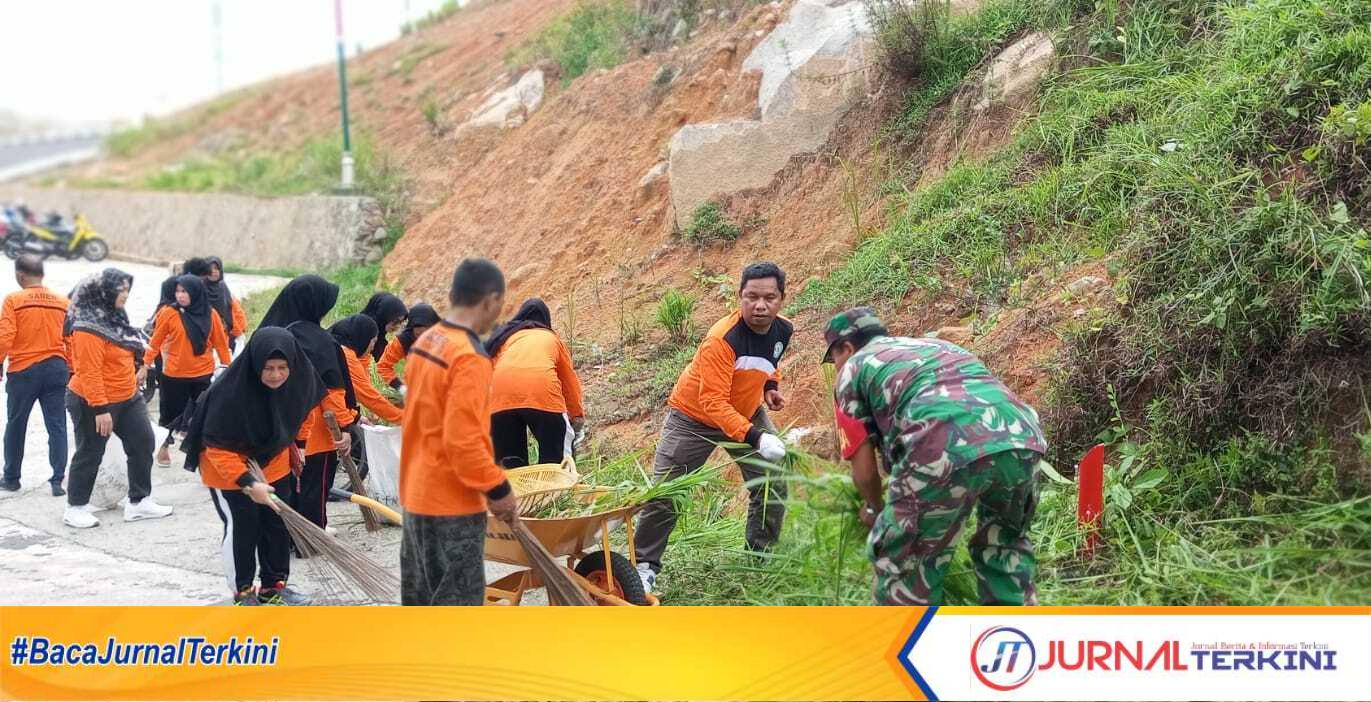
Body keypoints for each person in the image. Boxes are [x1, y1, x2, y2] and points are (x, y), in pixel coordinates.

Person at [823, 307, 1048, 606]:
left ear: (846, 348)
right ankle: (1014, 645)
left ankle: (906, 648)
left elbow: (864, 472)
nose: (837, 367)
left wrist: (876, 510)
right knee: (1006, 549)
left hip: (942, 443)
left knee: (904, 566)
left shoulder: (854, 367)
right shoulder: (939, 346)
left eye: (834, 359)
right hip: (1021, 437)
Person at [633, 262, 793, 594]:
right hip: (694, 417)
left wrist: (770, 387)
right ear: (740, 296)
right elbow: (713, 402)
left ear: (781, 299)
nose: (759, 305)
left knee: (773, 482)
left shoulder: (783, 330)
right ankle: (643, 567)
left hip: (745, 410)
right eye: (751, 297)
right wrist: (755, 436)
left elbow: (769, 362)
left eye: (769, 297)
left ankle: (758, 560)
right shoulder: (722, 339)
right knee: (667, 492)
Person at [399, 258, 518, 606]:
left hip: (416, 496)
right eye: (498, 306)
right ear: (490, 301)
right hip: (451, 505)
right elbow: (463, 442)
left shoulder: (425, 344)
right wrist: (499, 489)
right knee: (456, 614)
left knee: (421, 607)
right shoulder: (469, 358)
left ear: (453, 295)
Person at [181, 327, 323, 605]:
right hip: (227, 472)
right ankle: (242, 591)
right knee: (243, 528)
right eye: (268, 368)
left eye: (283, 367)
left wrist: (299, 446)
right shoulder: (229, 396)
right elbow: (218, 449)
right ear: (255, 363)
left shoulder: (300, 381)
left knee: (276, 526)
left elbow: (303, 413)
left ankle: (273, 587)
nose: (276, 375)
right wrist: (248, 483)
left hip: (276, 465)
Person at [62, 269, 173, 529]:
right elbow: (88, 371)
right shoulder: (87, 328)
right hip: (94, 400)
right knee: (90, 451)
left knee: (143, 442)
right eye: (120, 290)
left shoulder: (115, 318)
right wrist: (100, 408)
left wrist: (139, 365)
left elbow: (126, 349)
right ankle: (75, 507)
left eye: (126, 290)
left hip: (127, 396)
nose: (125, 295)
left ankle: (139, 501)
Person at [259, 275, 352, 531]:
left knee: (285, 485)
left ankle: (286, 537)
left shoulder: (272, 332)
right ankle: (312, 535)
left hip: (278, 429)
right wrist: (343, 428)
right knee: (314, 485)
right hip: (315, 431)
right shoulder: (318, 339)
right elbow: (330, 390)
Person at [0, 255, 70, 495]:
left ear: (20, 275)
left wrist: (0, 361)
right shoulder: (62, 301)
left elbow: (6, 335)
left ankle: (11, 478)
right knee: (57, 425)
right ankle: (58, 480)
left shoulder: (14, 300)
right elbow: (71, 338)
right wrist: (70, 368)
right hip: (57, 368)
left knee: (16, 424)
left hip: (24, 371)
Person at [485, 298, 585, 467]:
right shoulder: (550, 338)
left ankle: (517, 493)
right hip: (542, 394)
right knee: (557, 462)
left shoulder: (504, 339)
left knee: (510, 467)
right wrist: (576, 417)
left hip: (499, 401)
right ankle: (558, 493)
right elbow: (569, 383)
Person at [144, 275, 231, 468]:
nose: (180, 295)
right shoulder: (168, 313)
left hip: (202, 373)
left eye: (185, 291)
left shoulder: (210, 314)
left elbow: (220, 344)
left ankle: (202, 452)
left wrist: (227, 367)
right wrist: (144, 365)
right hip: (174, 374)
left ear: (196, 292)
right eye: (178, 291)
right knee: (169, 415)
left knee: (204, 413)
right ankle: (164, 446)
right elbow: (155, 342)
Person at [331, 314, 403, 426]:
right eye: (373, 341)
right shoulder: (345, 355)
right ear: (363, 338)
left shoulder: (335, 345)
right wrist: (405, 418)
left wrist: (355, 416)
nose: (373, 347)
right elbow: (370, 397)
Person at [185, 257, 246, 351]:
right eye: (210, 269)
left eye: (217, 268)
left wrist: (238, 331)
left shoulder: (223, 287)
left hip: (226, 334)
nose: (214, 272)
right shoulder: (199, 289)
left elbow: (234, 312)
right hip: (205, 336)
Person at [376, 302, 439, 389]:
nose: (422, 339)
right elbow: (383, 366)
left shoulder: (446, 338)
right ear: (411, 329)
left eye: (426, 335)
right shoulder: (404, 341)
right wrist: (400, 387)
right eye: (418, 335)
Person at [359, 292, 407, 365]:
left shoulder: (379, 339)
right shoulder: (361, 337)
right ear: (383, 315)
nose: (397, 326)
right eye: (395, 321)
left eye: (401, 322)